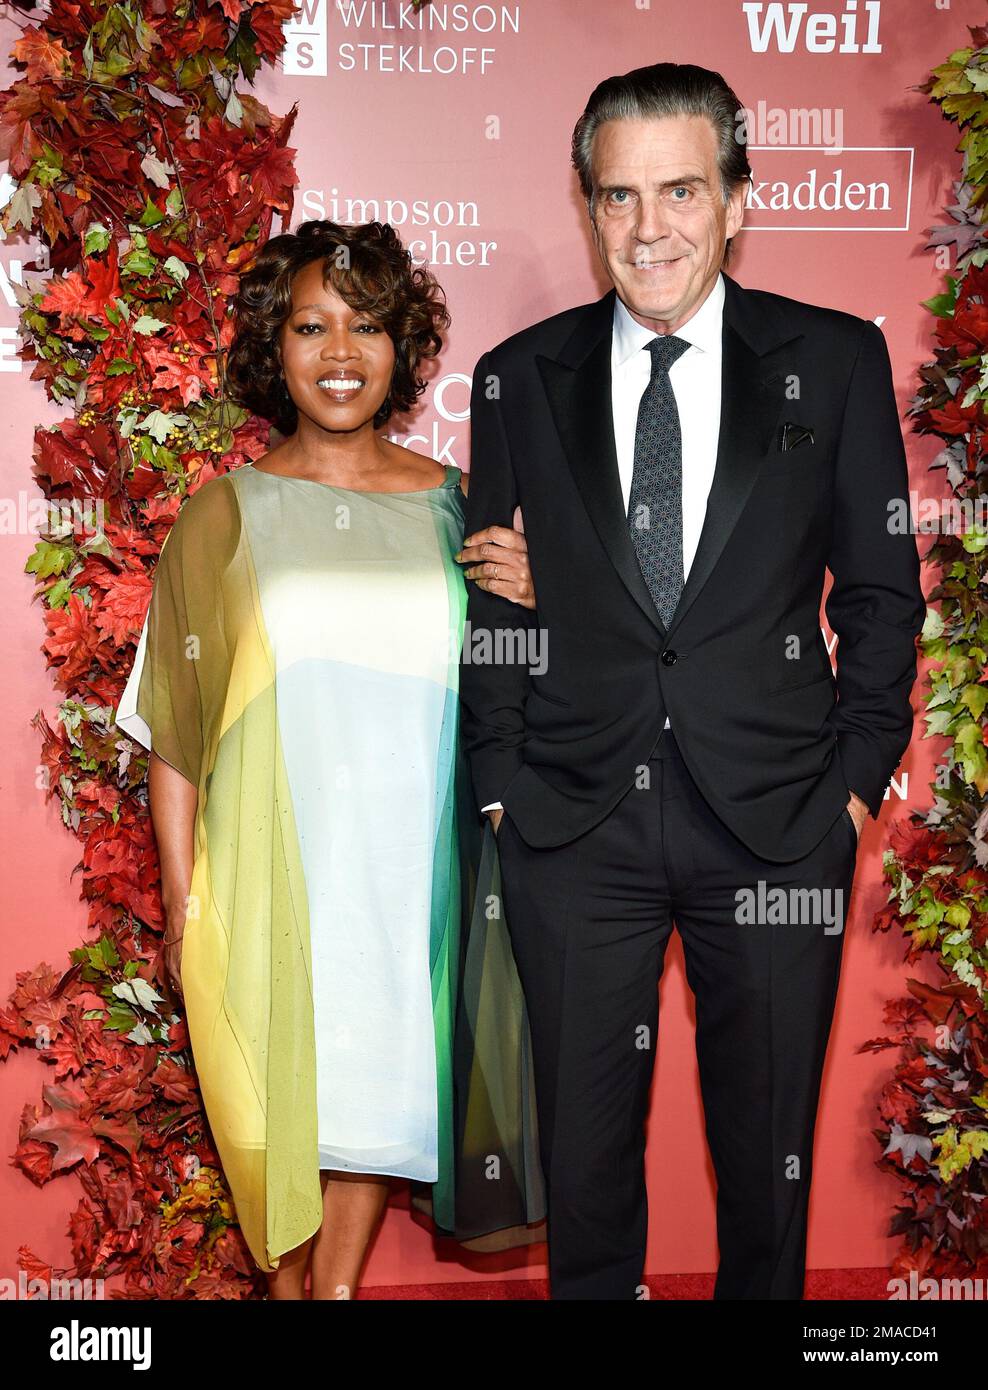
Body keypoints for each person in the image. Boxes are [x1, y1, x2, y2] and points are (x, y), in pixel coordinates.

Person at [459, 62, 926, 1300]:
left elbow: (880, 598)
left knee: (764, 1171)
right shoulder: (520, 375)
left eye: (679, 191)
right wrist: (501, 783)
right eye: (618, 197)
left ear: (736, 200)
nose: (647, 226)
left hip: (777, 827)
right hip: (569, 825)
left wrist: (852, 794)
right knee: (587, 1166)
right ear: (585, 207)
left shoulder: (827, 364)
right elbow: (491, 602)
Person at [115, 218, 542, 1299]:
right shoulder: (224, 517)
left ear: (402, 347)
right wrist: (182, 898)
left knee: (382, 1093)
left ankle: (333, 1292)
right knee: (293, 1090)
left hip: (419, 867)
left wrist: (538, 600)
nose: (339, 351)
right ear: (276, 346)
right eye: (311, 325)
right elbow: (176, 727)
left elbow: (536, 678)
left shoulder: (461, 507)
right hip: (274, 863)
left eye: (365, 326)